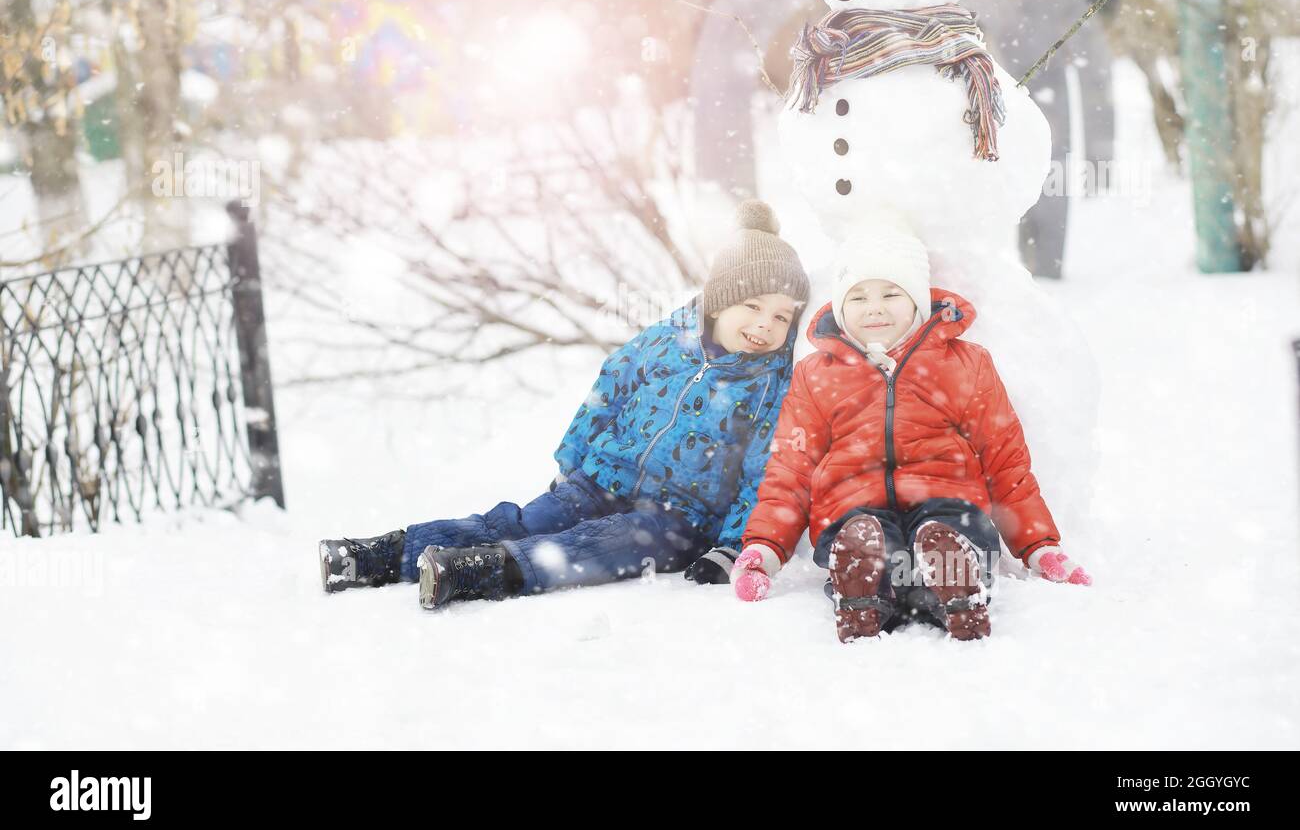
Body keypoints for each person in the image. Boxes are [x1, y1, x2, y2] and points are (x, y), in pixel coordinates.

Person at [318, 200, 810, 610]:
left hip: (676, 520)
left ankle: (475, 572)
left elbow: (760, 473)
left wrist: (730, 545)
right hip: (599, 480)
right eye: (752, 307)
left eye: (781, 316)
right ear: (720, 301)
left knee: (597, 546)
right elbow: (607, 391)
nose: (765, 325)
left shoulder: (769, 386)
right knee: (522, 521)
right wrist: (572, 464)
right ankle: (382, 555)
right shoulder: (666, 341)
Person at [729, 216, 1090, 642]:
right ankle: (865, 592)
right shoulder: (816, 374)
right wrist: (765, 547)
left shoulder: (964, 363)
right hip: (853, 505)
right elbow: (791, 467)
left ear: (917, 299)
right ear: (841, 306)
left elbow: (1004, 457)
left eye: (890, 293)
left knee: (948, 532)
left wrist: (1039, 546)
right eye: (858, 296)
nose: (875, 307)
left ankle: (954, 586)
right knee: (865, 538)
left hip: (945, 495)